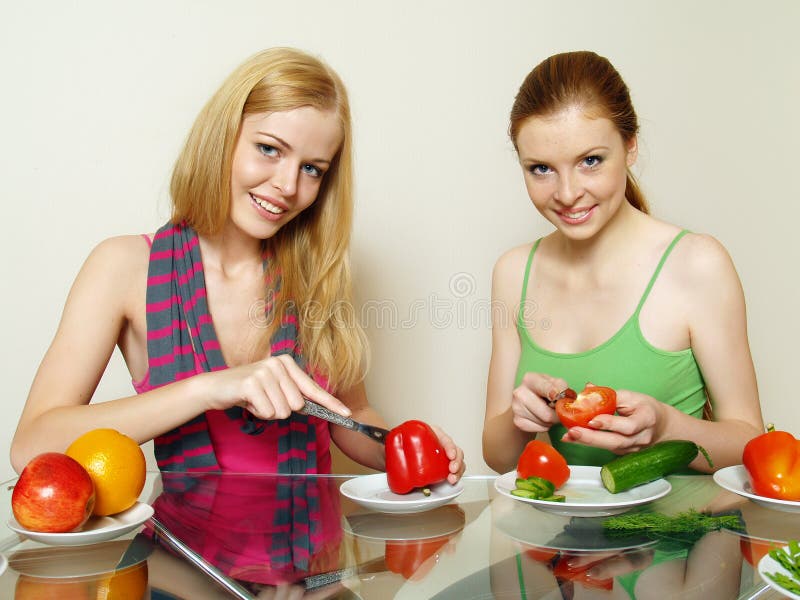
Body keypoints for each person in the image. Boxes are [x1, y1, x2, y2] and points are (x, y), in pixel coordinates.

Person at [11, 47, 464, 482]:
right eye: (269, 149)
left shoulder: (318, 274)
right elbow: (31, 446)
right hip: (186, 538)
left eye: (312, 169)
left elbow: (352, 414)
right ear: (222, 137)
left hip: (316, 536)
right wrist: (207, 389)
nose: (288, 185)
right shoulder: (124, 267)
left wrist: (408, 451)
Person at [482, 50, 763, 473]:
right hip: (557, 519)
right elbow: (498, 456)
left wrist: (666, 426)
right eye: (541, 169)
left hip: (681, 517)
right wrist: (521, 420)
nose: (567, 193)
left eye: (590, 161)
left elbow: (751, 443)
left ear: (630, 146)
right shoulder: (513, 272)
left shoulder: (698, 264)